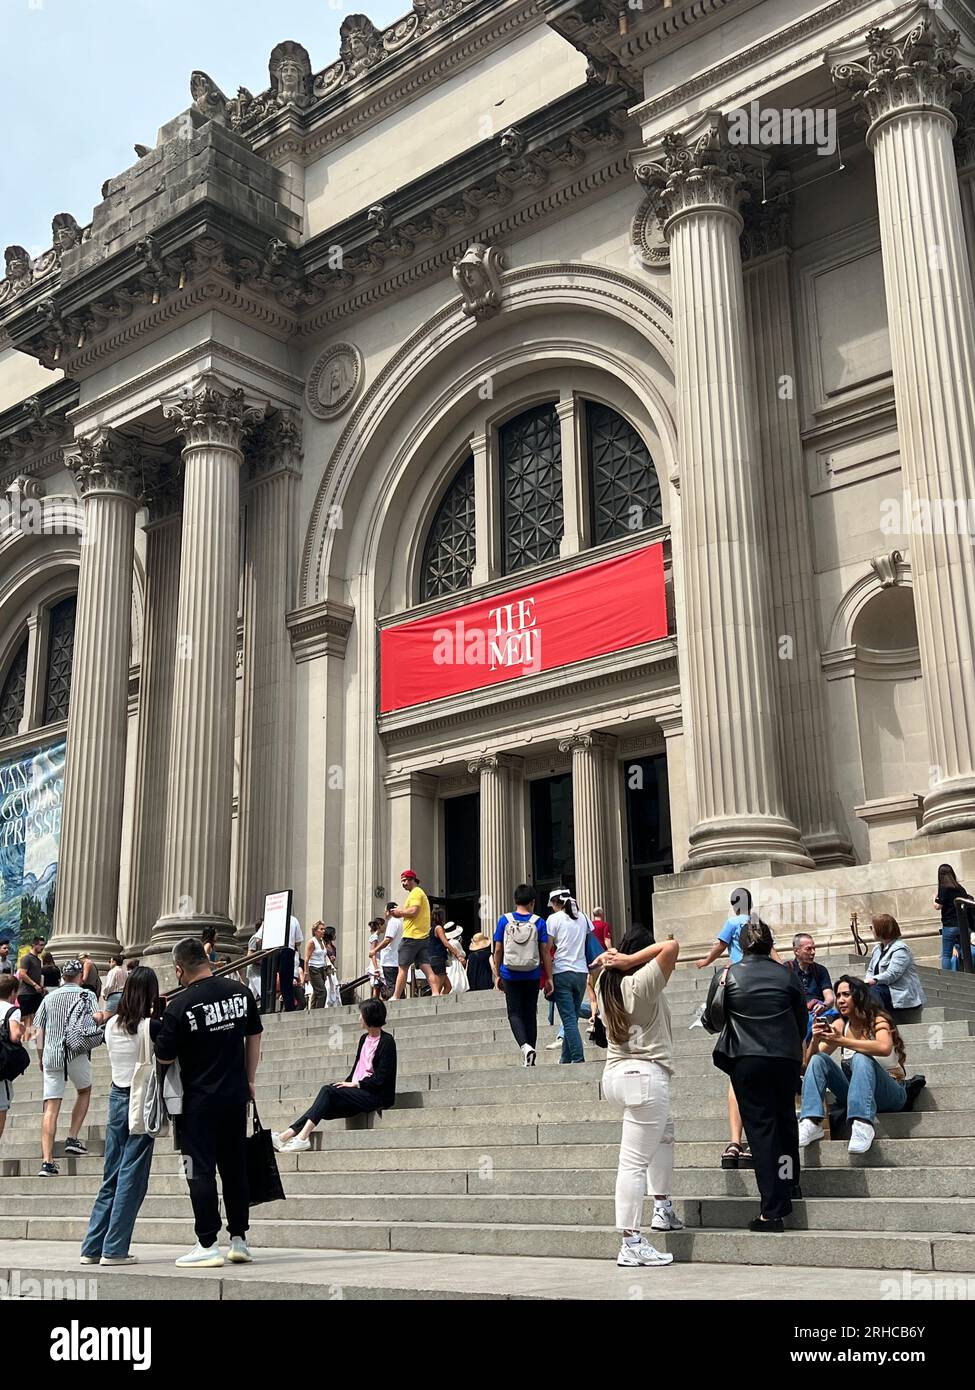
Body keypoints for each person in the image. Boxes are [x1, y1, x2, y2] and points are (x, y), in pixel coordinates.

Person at [155, 937, 263, 1268]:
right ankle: (239, 1240)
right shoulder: (241, 993)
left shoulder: (179, 1006)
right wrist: (249, 1078)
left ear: (178, 969)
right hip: (235, 1096)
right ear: (206, 958)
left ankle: (206, 1243)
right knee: (234, 1168)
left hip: (196, 1102)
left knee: (199, 1170)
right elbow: (254, 1035)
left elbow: (165, 1056)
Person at [705, 918, 806, 1232]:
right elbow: (801, 1021)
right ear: (769, 943)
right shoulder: (788, 976)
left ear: (743, 944)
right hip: (785, 1057)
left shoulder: (728, 975)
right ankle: (789, 1184)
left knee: (761, 1131)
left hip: (748, 1058)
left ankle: (772, 1211)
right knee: (786, 1121)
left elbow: (713, 1018)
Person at [595, 927, 681, 1266]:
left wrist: (617, 959)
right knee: (631, 1163)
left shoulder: (607, 982)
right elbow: (672, 947)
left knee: (664, 1132)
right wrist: (631, 959)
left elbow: (601, 969)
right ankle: (630, 1240)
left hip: (617, 1075)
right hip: (645, 1075)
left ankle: (663, 1207)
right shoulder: (641, 982)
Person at [79, 967, 162, 1266]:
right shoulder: (150, 1026)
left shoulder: (112, 1024)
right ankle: (114, 1248)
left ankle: (92, 1247)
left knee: (111, 1174)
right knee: (132, 1176)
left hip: (116, 1097)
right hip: (140, 1101)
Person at [799, 975, 922, 1156]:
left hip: (891, 1092)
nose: (840, 1000)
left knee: (861, 1058)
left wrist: (842, 1041)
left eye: (846, 994)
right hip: (856, 1093)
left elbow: (884, 1047)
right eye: (838, 995)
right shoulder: (841, 1024)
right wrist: (816, 1040)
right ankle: (811, 1120)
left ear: (859, 996)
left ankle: (862, 1124)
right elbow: (808, 1065)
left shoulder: (878, 1019)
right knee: (819, 1060)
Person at [272, 999, 396, 1152]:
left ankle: (299, 1137)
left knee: (327, 1091)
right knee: (325, 1101)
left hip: (374, 1095)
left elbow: (381, 1078)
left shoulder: (387, 1041)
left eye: (361, 1014)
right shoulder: (364, 1039)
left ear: (369, 1017)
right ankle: (286, 1137)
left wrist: (356, 1084)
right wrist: (346, 1085)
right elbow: (358, 1068)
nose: (359, 1018)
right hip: (358, 1092)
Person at [33, 959, 106, 1177]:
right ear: (80, 977)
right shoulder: (87, 995)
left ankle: (47, 1161)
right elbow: (95, 1019)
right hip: (76, 1051)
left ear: (63, 976)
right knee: (84, 1090)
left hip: (52, 1054)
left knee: (51, 1106)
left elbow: (38, 1031)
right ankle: (73, 1137)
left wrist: (40, 1056)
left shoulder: (48, 998)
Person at [493, 884, 553, 1066]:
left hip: (510, 973)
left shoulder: (504, 920)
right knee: (530, 1013)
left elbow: (497, 949)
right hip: (532, 974)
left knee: (514, 1013)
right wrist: (549, 977)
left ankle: (525, 1047)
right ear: (533, 902)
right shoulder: (539, 922)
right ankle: (531, 1053)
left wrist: (497, 973)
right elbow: (544, 951)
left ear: (515, 900)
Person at [547, 891, 593, 1065]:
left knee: (568, 1019)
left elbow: (547, 947)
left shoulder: (554, 919)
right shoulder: (583, 917)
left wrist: (547, 974)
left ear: (555, 902)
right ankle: (565, 1058)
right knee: (571, 1017)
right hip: (581, 972)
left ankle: (577, 1057)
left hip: (562, 971)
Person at [389, 869, 440, 1000]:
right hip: (422, 937)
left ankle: (395, 996)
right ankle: (435, 992)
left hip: (411, 936)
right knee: (426, 967)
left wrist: (399, 913)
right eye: (402, 881)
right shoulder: (420, 893)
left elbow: (414, 911)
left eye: (405, 880)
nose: (403, 883)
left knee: (402, 967)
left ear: (412, 880)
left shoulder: (416, 893)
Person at [864, 914, 926, 1017]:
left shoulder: (900, 949)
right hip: (882, 992)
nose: (871, 930)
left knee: (874, 990)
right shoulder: (877, 949)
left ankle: (880, 1020)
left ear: (881, 929)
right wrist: (866, 982)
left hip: (899, 994)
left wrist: (874, 980)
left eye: (872, 927)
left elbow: (892, 974)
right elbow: (870, 970)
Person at [789, 934, 835, 1040]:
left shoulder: (821, 970)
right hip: (798, 1013)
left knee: (837, 1017)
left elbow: (830, 998)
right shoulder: (787, 969)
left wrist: (823, 1005)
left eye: (814, 948)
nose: (813, 952)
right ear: (796, 951)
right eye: (808, 949)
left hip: (818, 1011)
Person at [935, 864, 971, 972]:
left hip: (949, 925)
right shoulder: (960, 889)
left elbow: (938, 906)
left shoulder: (943, 889)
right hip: (963, 925)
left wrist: (934, 898)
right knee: (966, 952)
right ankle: (969, 973)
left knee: (946, 955)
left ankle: (947, 979)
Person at [0, 974, 23, 1141]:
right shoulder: (11, 1010)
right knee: (1, 1108)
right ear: (13, 992)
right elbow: (15, 1036)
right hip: (1, 1067)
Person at [16, 936, 45, 1030]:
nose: (42, 947)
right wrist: (34, 985)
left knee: (34, 1018)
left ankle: (31, 1039)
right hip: (26, 994)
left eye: (43, 945)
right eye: (40, 945)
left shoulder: (38, 960)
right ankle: (23, 1039)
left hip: (35, 993)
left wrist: (40, 987)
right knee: (25, 1019)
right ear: (34, 945)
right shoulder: (26, 958)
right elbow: (22, 974)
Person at [277, 914, 303, 1013]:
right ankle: (288, 1006)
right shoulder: (293, 920)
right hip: (287, 951)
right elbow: (298, 941)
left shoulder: (272, 917)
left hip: (273, 951)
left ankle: (287, 1006)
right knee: (286, 982)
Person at [304, 921, 332, 1009]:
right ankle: (319, 1011)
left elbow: (323, 956)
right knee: (322, 992)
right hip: (313, 969)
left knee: (316, 992)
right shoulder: (312, 942)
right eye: (321, 929)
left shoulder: (322, 941)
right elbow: (306, 959)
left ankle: (312, 1011)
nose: (323, 931)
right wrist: (306, 973)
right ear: (315, 931)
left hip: (321, 969)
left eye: (324, 929)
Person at [444, 924, 469, 994]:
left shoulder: (446, 943)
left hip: (448, 963)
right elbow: (462, 954)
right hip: (455, 962)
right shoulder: (455, 942)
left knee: (450, 976)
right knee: (457, 978)